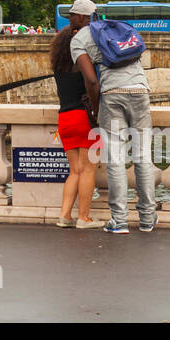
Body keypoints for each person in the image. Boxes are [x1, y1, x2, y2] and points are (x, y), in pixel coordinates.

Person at [69, 0, 157, 234]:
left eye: (71, 16)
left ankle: (119, 221)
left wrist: (97, 110)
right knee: (143, 156)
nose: (69, 20)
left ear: (80, 17)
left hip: (112, 95)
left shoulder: (78, 39)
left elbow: (90, 80)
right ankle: (148, 218)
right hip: (140, 91)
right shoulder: (118, 27)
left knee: (116, 159)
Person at [51, 26, 103, 229]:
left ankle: (64, 216)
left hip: (64, 119)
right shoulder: (83, 64)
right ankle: (84, 217)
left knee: (74, 171)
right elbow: (92, 84)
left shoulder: (58, 66)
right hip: (85, 118)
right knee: (88, 170)